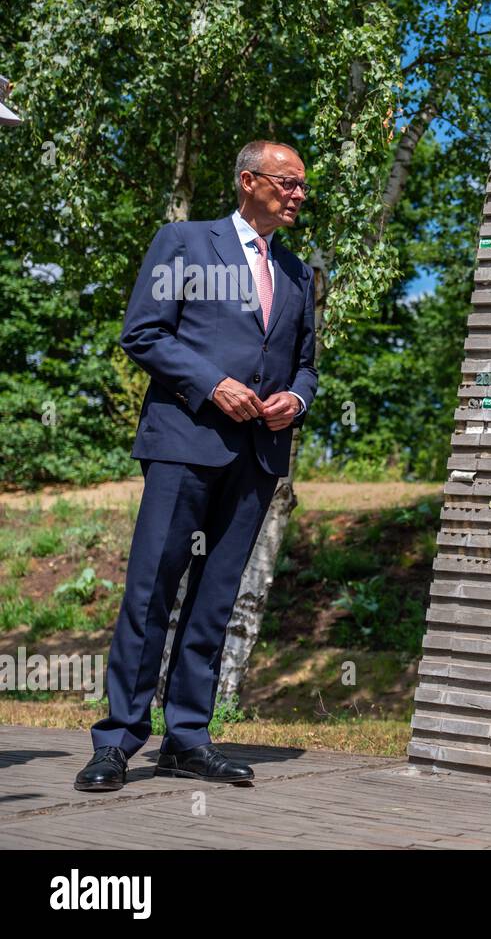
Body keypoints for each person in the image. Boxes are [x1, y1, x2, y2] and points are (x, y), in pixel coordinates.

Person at [74, 140, 318, 791]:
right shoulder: (183, 242)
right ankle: (117, 743)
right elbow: (143, 332)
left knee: (213, 603)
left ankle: (187, 738)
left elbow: (306, 365)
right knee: (152, 592)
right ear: (248, 181)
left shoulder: (297, 273)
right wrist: (213, 384)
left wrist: (295, 398)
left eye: (302, 187)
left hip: (258, 455)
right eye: (288, 183)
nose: (299, 194)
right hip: (184, 442)